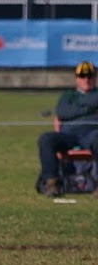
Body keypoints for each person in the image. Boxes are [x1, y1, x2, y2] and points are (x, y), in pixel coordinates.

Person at [37, 60, 98, 195]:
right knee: (46, 139)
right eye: (82, 76)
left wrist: (77, 106)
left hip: (93, 133)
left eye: (90, 76)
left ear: (95, 78)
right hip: (70, 135)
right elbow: (62, 112)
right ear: (76, 79)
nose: (86, 80)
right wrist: (89, 109)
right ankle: (52, 183)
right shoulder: (68, 96)